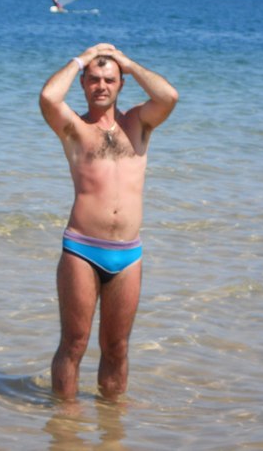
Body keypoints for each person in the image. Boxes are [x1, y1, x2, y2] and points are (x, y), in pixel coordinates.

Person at [39, 43, 178, 400]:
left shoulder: (138, 123)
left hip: (128, 255)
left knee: (117, 347)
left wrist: (129, 63)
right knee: (74, 343)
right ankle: (65, 421)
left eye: (110, 79)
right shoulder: (75, 128)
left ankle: (112, 423)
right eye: (94, 79)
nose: (101, 85)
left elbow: (169, 96)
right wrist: (81, 59)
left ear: (121, 84)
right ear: (83, 83)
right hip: (82, 250)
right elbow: (49, 97)